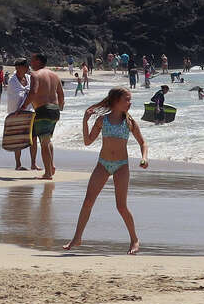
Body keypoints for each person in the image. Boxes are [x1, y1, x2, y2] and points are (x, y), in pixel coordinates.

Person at [64, 87, 149, 254]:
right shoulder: (102, 120)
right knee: (88, 201)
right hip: (103, 164)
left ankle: (134, 240)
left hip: (121, 166)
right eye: (126, 99)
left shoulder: (129, 122)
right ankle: (77, 237)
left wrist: (144, 158)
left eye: (129, 100)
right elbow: (88, 141)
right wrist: (84, 120)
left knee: (121, 206)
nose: (129, 103)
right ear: (116, 101)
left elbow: (143, 143)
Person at [28, 53, 65, 180]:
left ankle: (48, 173)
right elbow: (61, 94)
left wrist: (22, 107)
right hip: (54, 110)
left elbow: (33, 92)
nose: (31, 63)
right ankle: (51, 166)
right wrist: (60, 107)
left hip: (42, 110)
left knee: (43, 143)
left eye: (32, 60)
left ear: (38, 61)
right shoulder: (55, 75)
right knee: (47, 140)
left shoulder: (35, 75)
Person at [7, 59, 38, 171]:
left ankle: (33, 163)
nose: (27, 68)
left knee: (33, 138)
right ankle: (18, 164)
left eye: (27, 66)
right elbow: (15, 96)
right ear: (18, 67)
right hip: (16, 112)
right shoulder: (12, 80)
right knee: (18, 139)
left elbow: (33, 92)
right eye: (25, 66)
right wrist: (28, 94)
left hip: (30, 112)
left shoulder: (29, 78)